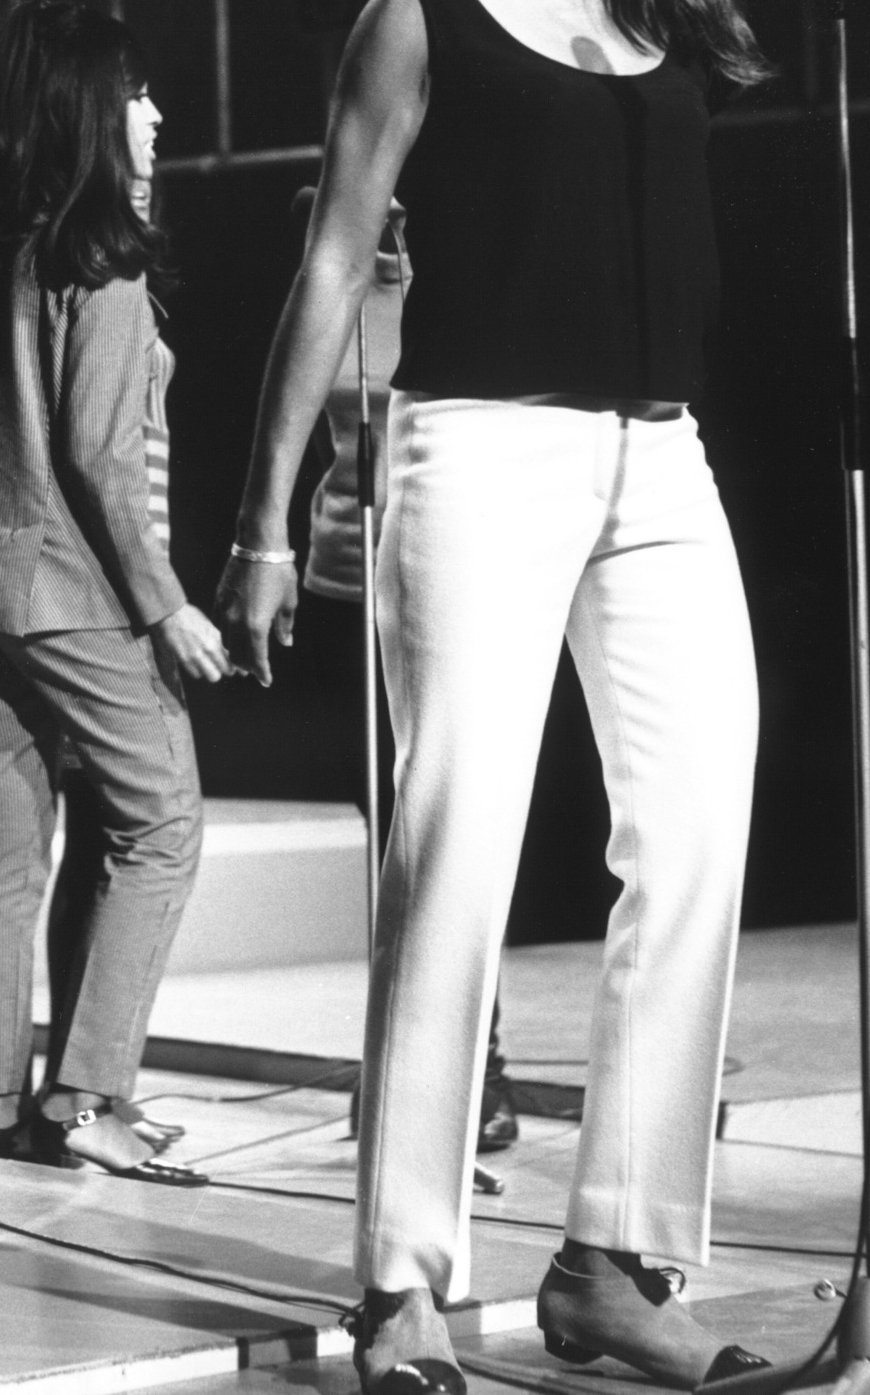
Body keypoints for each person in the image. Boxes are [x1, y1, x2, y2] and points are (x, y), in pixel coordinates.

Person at [215, 0, 773, 1393]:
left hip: (657, 455)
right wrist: (258, 522)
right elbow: (329, 256)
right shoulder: (422, 8)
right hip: (478, 442)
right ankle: (402, 1279)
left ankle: (615, 1255)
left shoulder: (663, 34)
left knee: (692, 837)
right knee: (452, 845)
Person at [0, 0, 228, 1185]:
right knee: (161, 822)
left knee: (5, 838)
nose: (155, 115)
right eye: (135, 94)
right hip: (71, 592)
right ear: (89, 110)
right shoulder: (104, 267)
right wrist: (165, 603)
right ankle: (86, 1097)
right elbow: (97, 459)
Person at [287, 192, 518, 1158]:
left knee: (453, 819)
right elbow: (309, 425)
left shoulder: (473, 278)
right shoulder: (331, 280)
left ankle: (481, 1064)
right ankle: (400, 1059)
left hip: (450, 576)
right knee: (388, 829)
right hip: (349, 583)